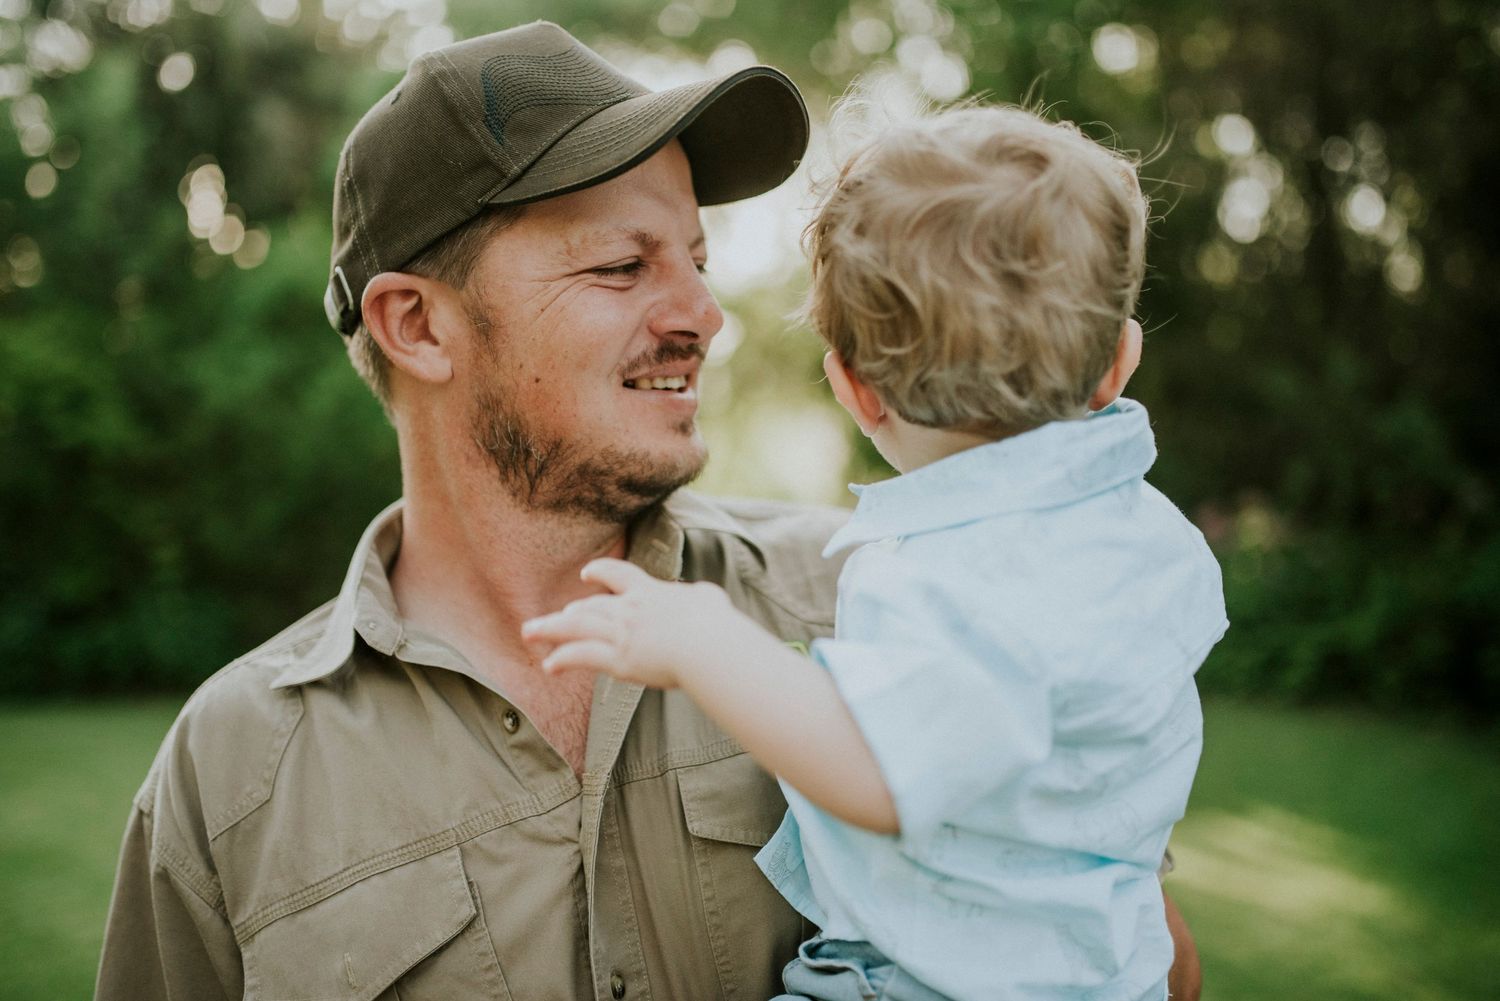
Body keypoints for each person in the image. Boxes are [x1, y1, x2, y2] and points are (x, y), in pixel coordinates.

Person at [95, 23, 1202, 1001]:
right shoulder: (230, 776)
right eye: (624, 266)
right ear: (418, 327)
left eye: (700, 260)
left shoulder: (879, 591)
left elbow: (1123, 944)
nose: (706, 316)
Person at [521, 102, 1227, 1001]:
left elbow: (881, 772)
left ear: (855, 390)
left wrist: (704, 639)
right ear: (1118, 363)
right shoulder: (1148, 540)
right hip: (1106, 966)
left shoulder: (952, 575)